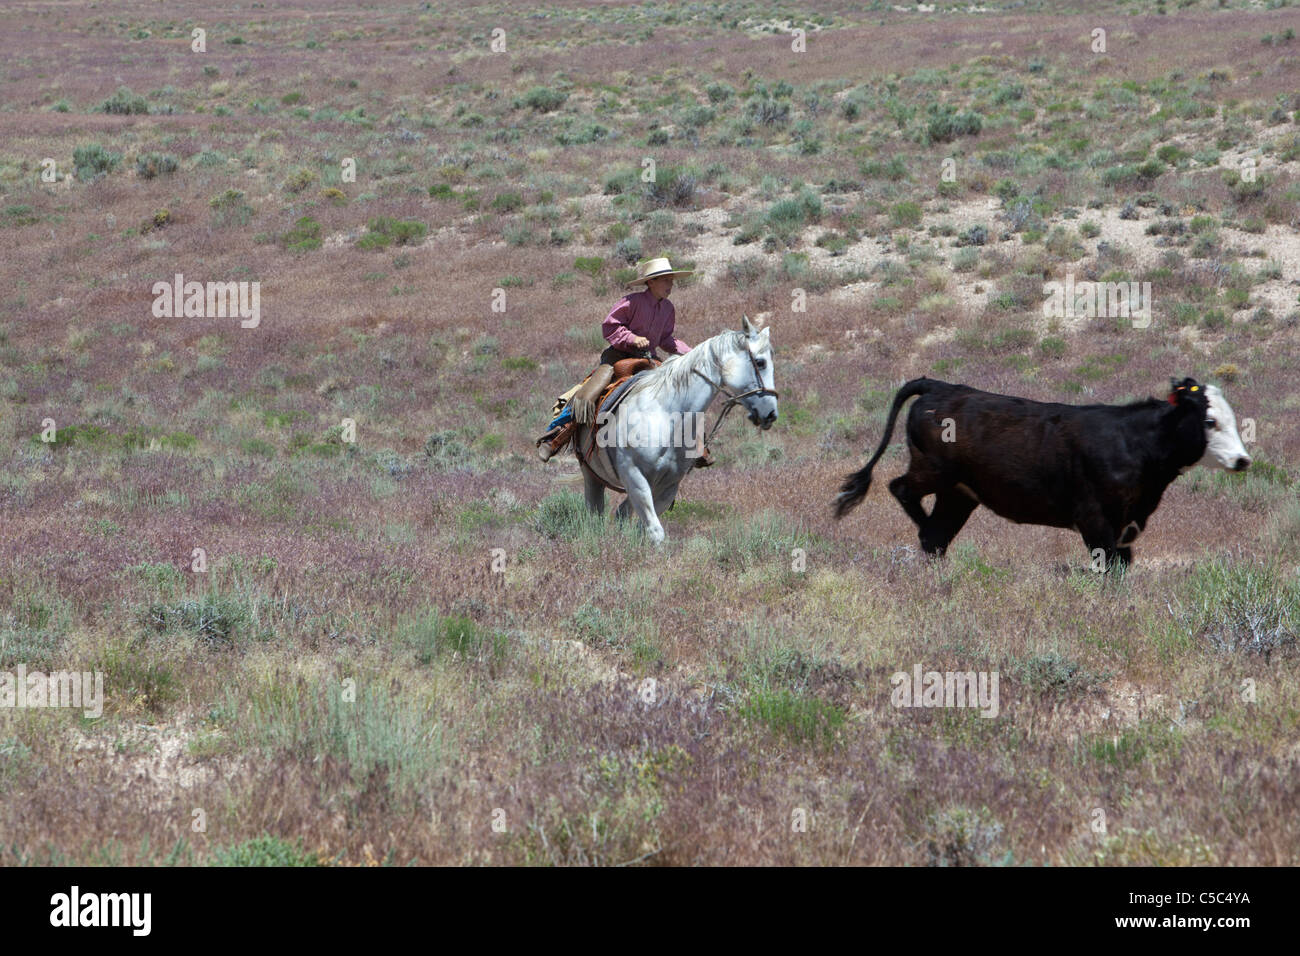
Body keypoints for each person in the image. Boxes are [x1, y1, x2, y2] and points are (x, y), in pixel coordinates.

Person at [537, 257, 713, 466]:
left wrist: (692, 354)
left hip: (648, 359)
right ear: (651, 282)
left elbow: (666, 339)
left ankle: (695, 445)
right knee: (589, 394)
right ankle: (554, 438)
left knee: (681, 391)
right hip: (618, 357)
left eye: (671, 280)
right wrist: (632, 338)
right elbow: (609, 327)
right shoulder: (631, 302)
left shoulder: (668, 309)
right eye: (665, 280)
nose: (670, 284)